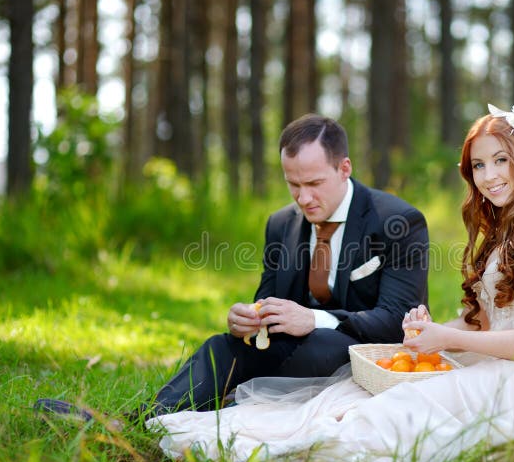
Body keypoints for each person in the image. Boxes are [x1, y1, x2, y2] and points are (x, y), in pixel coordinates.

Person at [144, 105, 514, 462]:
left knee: (380, 416)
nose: (491, 176)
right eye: (479, 166)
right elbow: (494, 321)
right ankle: (158, 417)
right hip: (496, 363)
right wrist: (446, 334)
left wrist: (446, 336)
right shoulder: (506, 227)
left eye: (502, 161)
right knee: (353, 398)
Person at [35, 113, 429, 421]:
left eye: (314, 183)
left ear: (344, 168)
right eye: (293, 184)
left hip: (361, 352)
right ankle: (136, 421)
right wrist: (250, 318)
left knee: (318, 345)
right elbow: (269, 298)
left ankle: (232, 395)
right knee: (222, 345)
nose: (303, 198)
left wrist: (314, 319)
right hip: (295, 346)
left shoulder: (398, 221)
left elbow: (398, 320)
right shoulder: (281, 223)